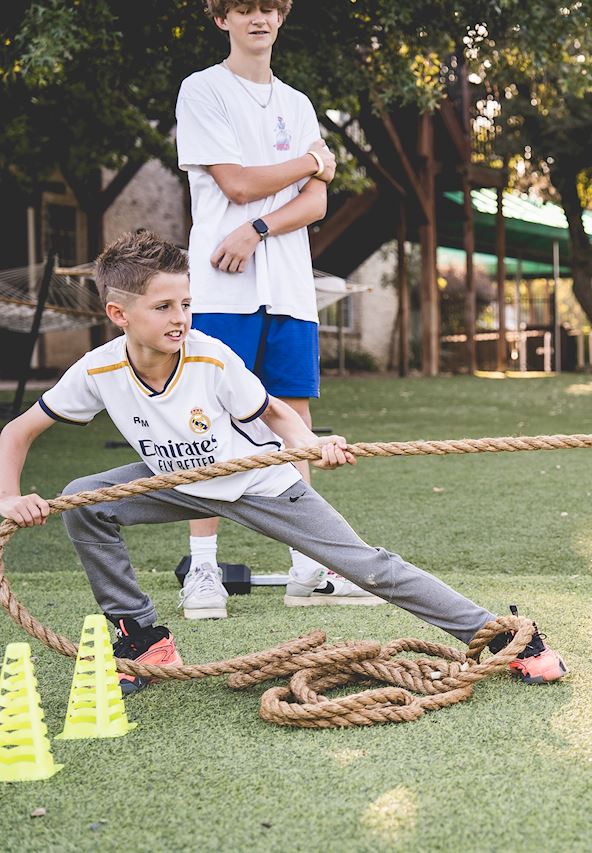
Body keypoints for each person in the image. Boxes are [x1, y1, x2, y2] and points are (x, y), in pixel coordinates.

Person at [0, 232, 567, 693]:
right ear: (118, 313)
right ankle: (143, 639)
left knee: (368, 567)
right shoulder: (97, 370)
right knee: (85, 504)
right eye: (164, 306)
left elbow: (274, 414)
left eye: (187, 303)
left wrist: (312, 440)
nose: (181, 317)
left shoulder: (209, 354)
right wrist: (9, 497)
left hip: (258, 481)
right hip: (173, 481)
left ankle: (503, 634)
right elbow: (17, 432)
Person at [175, 0, 351, 614]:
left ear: (283, 17)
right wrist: (311, 161)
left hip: (290, 288)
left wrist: (256, 229)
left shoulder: (298, 104)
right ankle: (203, 571)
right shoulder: (201, 90)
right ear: (220, 18)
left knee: (294, 422)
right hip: (222, 289)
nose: (258, 19)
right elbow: (238, 183)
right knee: (209, 423)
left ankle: (310, 568)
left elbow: (315, 207)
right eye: (243, 9)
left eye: (269, 8)